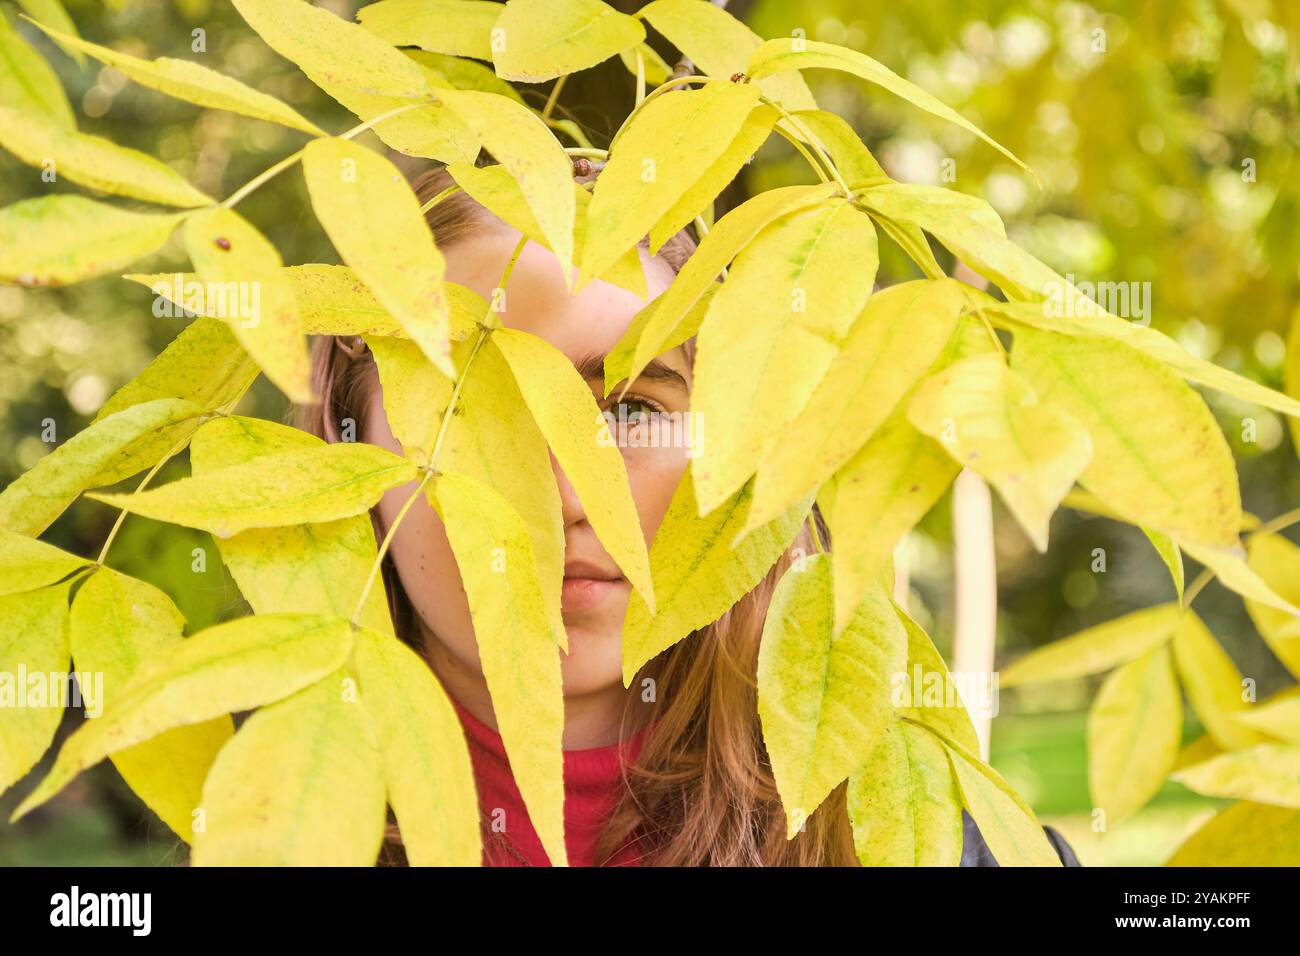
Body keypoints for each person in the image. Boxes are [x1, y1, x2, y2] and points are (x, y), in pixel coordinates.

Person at [299, 159, 1080, 868]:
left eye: (634, 412)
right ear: (349, 450)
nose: (568, 500)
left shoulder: (923, 841)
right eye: (472, 420)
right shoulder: (239, 811)